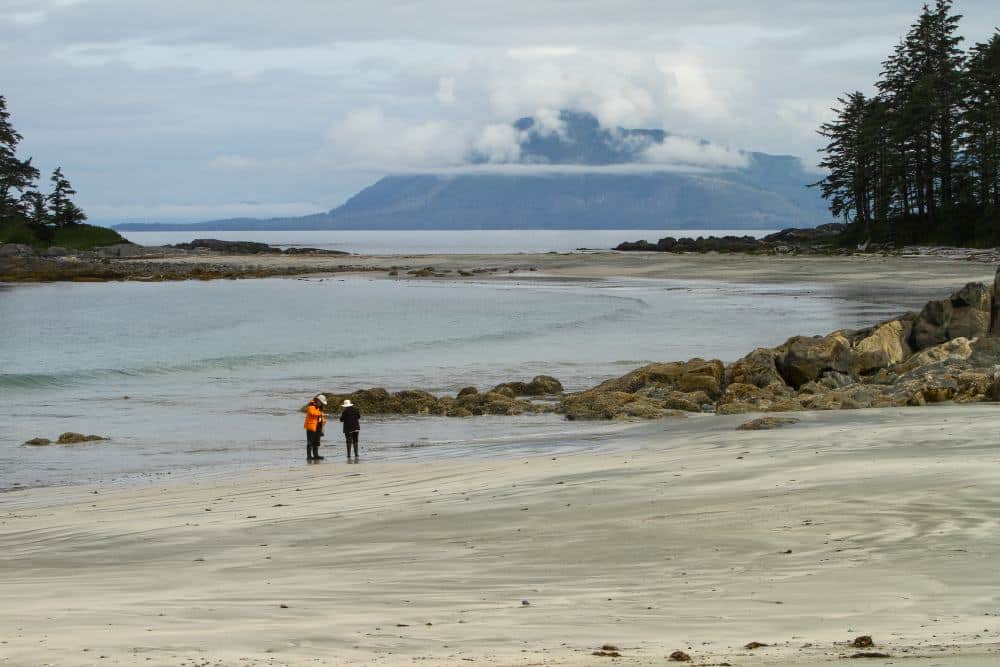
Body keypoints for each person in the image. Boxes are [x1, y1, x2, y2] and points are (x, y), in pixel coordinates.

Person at [304, 394, 327, 462]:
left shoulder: (320, 408)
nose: (322, 404)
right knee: (310, 442)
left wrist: (323, 425)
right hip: (311, 426)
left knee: (316, 442)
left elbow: (322, 417)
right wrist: (320, 413)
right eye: (321, 403)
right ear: (318, 400)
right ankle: (309, 456)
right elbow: (312, 413)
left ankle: (316, 455)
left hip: (318, 426)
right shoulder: (311, 406)